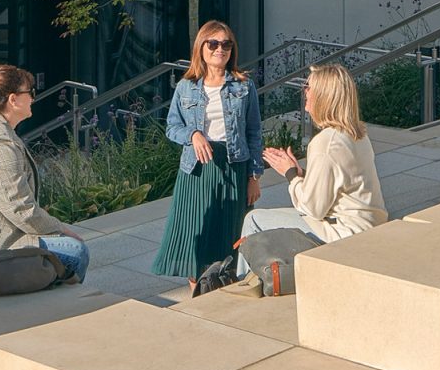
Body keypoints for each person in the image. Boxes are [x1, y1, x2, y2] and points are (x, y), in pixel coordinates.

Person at [0, 62, 90, 286]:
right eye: (29, 92)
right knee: (76, 251)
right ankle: (60, 310)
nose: (33, 98)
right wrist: (62, 230)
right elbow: (21, 210)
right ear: (13, 99)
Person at [153, 20, 263, 295]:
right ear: (200, 47)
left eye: (226, 44)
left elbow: (254, 133)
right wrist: (193, 135)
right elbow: (171, 126)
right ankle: (198, 293)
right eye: (213, 44)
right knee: (194, 236)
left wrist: (254, 177)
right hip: (197, 170)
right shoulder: (187, 87)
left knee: (229, 235)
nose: (220, 50)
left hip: (233, 168)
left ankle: (222, 288)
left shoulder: (243, 86)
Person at [247, 61, 388, 269]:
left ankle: (242, 287)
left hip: (345, 234)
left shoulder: (326, 143)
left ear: (323, 96)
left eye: (309, 87)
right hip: (369, 227)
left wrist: (290, 174)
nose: (305, 91)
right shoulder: (356, 134)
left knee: (253, 220)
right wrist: (302, 175)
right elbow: (335, 188)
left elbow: (313, 209)